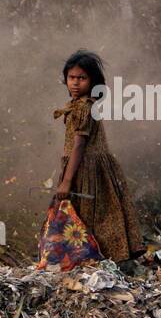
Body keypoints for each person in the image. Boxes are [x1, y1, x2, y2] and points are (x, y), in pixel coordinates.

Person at [40, 50, 143, 267]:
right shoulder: (79, 105)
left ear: (93, 81)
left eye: (82, 78)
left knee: (92, 216)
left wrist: (67, 181)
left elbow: (79, 145)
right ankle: (95, 260)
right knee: (95, 215)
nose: (75, 83)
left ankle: (95, 261)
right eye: (71, 78)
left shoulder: (84, 108)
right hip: (84, 167)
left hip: (87, 170)